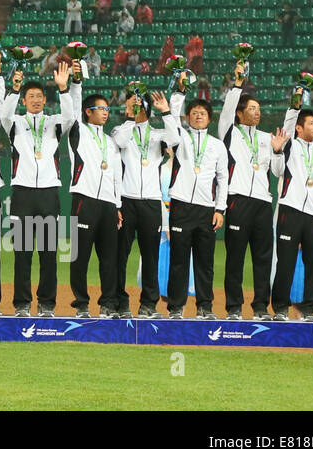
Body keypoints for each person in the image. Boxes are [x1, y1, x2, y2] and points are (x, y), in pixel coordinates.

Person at [0, 62, 78, 316]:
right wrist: (13, 89)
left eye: (39, 97)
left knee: (47, 254)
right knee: (22, 254)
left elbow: (71, 118)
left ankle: (46, 304)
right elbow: (3, 117)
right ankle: (22, 304)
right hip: (21, 193)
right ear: (24, 100)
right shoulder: (17, 123)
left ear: (45, 100)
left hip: (48, 194)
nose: (35, 100)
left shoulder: (54, 122)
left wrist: (64, 90)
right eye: (30, 97)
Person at [216, 59, 287, 320]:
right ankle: (234, 308)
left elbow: (278, 170)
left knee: (263, 259)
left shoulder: (268, 138)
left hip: (261, 204)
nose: (257, 112)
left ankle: (260, 308)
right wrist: (237, 84)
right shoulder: (230, 132)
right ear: (239, 112)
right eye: (252, 108)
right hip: (237, 202)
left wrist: (278, 151)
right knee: (235, 258)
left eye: (259, 109)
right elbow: (225, 112)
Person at [162, 74, 228, 319]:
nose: (198, 115)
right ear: (187, 118)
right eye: (194, 113)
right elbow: (172, 119)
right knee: (178, 261)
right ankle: (176, 308)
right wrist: (179, 92)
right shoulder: (180, 138)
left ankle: (204, 307)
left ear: (209, 119)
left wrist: (220, 209)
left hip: (206, 210)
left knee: (204, 263)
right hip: (180, 206)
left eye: (203, 113)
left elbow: (223, 180)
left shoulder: (217, 146)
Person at [111, 88, 178, 318]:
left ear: (148, 109)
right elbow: (119, 142)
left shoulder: (159, 135)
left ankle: (149, 304)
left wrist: (166, 112)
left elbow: (175, 138)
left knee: (151, 256)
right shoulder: (121, 130)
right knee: (120, 255)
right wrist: (130, 114)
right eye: (131, 104)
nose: (136, 108)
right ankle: (119, 303)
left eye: (140, 105)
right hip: (126, 200)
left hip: (151, 202)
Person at [273, 95, 313, 321]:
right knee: (286, 261)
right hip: (289, 211)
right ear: (299, 128)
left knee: (312, 263)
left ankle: (309, 308)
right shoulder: (289, 147)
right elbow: (286, 129)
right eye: (310, 123)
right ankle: (280, 308)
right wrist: (294, 106)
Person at [65, 75, 122, 319]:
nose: (106, 113)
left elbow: (117, 174)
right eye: (101, 109)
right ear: (88, 112)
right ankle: (81, 304)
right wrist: (76, 82)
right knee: (80, 257)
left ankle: (108, 304)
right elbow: (73, 107)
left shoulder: (110, 142)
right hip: (84, 200)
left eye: (108, 109)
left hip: (108, 205)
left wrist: (118, 205)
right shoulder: (78, 132)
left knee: (109, 258)